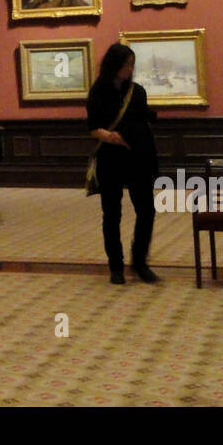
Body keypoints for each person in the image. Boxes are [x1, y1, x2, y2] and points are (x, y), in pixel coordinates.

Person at [87, 43, 158, 285]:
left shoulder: (137, 92)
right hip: (111, 159)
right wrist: (109, 136)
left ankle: (140, 262)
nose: (130, 69)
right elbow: (92, 128)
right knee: (112, 214)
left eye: (132, 65)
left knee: (146, 210)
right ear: (114, 65)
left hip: (137, 157)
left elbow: (143, 120)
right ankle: (115, 266)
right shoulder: (98, 92)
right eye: (126, 64)